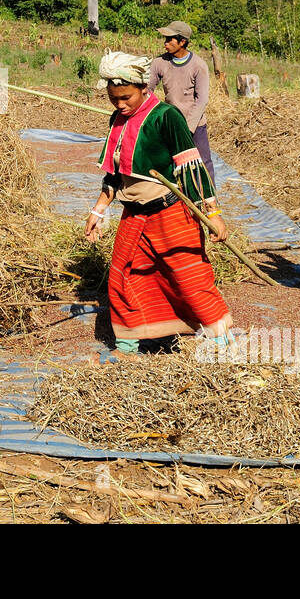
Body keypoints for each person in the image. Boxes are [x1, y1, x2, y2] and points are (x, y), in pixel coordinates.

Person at [85, 51, 234, 356]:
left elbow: (192, 167)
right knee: (123, 275)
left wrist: (214, 214)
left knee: (189, 277)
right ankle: (128, 344)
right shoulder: (119, 119)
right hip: (134, 215)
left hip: (170, 213)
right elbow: (117, 170)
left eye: (125, 97)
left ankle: (220, 339)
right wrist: (98, 210)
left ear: (144, 88)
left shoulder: (166, 117)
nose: (120, 104)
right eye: (114, 99)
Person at [146, 20, 215, 186]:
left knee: (202, 162)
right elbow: (148, 90)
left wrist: (187, 127)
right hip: (170, 122)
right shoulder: (159, 63)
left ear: (182, 42)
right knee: (169, 161)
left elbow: (201, 100)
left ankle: (209, 201)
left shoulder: (198, 65)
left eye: (170, 40)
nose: (165, 43)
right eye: (165, 39)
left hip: (194, 124)